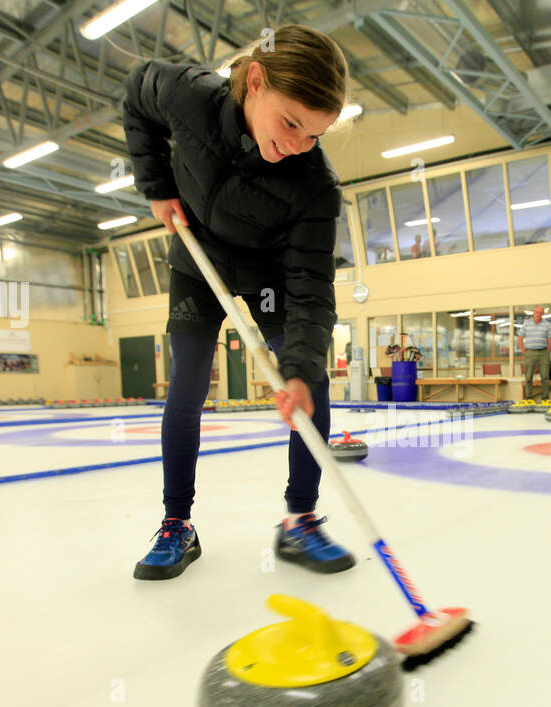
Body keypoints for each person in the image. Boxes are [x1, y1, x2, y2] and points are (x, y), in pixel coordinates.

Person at [122, 24, 356, 580]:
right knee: (187, 386)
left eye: (314, 135)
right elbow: (137, 91)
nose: (298, 144)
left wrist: (296, 369)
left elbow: (310, 288)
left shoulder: (315, 188)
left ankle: (300, 520)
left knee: (310, 385)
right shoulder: (187, 94)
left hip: (269, 269)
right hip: (196, 258)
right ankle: (176, 523)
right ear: (255, 82)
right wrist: (155, 185)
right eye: (291, 123)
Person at [517, 305, 551, 401]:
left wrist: (548, 351)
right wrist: (523, 350)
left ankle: (545, 398)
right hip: (530, 352)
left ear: (543, 314)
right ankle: (529, 398)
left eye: (541, 313)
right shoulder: (526, 324)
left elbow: (550, 339)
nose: (539, 314)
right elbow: (520, 338)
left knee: (545, 376)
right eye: (537, 312)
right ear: (533, 313)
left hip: (543, 352)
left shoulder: (547, 324)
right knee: (528, 376)